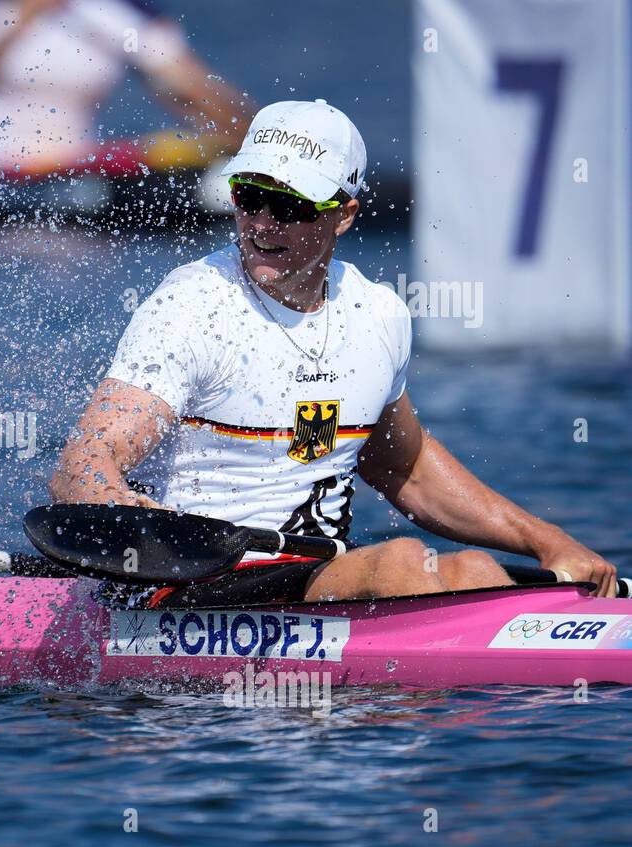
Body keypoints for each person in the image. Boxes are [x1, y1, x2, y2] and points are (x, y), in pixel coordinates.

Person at [49, 99, 620, 600]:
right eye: (250, 198)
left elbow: (407, 468)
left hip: (315, 579)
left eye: (290, 207)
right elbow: (83, 465)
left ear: (344, 214)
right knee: (399, 561)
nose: (262, 226)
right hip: (194, 583)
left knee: (475, 569)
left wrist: (548, 541)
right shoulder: (192, 309)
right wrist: (119, 505)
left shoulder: (377, 314)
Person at [0, 0, 252, 178]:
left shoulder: (122, 13)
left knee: (188, 147)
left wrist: (259, 139)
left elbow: (192, 92)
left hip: (77, 171)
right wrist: (19, 21)